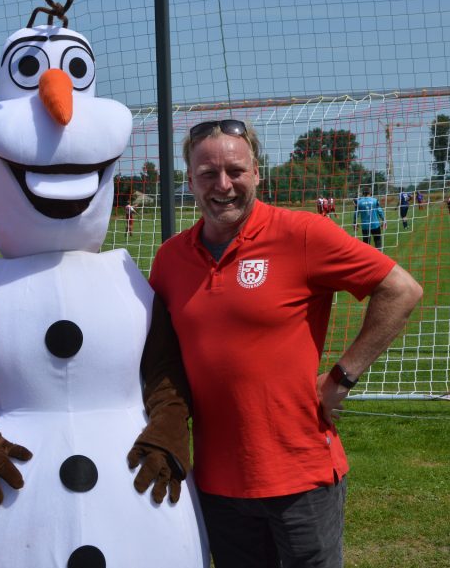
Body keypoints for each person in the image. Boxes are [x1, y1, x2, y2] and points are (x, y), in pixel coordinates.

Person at [149, 119, 422, 568]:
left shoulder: (302, 234)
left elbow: (401, 289)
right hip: (216, 483)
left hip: (301, 478)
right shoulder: (170, 258)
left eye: (235, 171)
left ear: (257, 172)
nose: (223, 185)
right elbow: (162, 357)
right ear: (190, 179)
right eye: (207, 173)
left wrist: (342, 376)